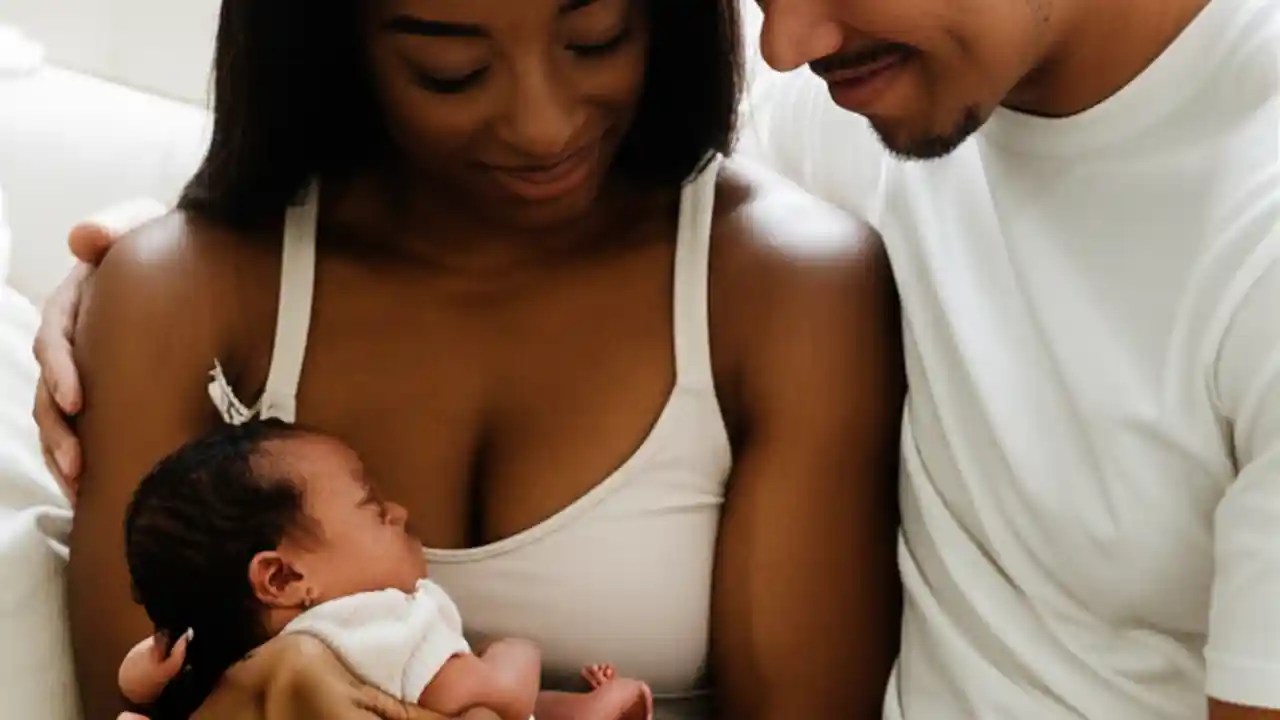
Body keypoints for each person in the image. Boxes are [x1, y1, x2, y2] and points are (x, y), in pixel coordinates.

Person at [38, 0, 1280, 717]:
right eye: (449, 67)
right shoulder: (873, 95)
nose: (784, 44)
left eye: (599, 39)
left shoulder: (1246, 222)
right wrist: (130, 277)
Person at [28, 0, 904, 719]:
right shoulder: (181, 295)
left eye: (596, 39)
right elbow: (131, 698)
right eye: (452, 69)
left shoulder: (785, 288)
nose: (542, 124)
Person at [119, 420, 653, 720]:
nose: (399, 512)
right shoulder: (366, 625)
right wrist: (517, 652)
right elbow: (487, 699)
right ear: (283, 579)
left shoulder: (243, 674)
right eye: (373, 508)